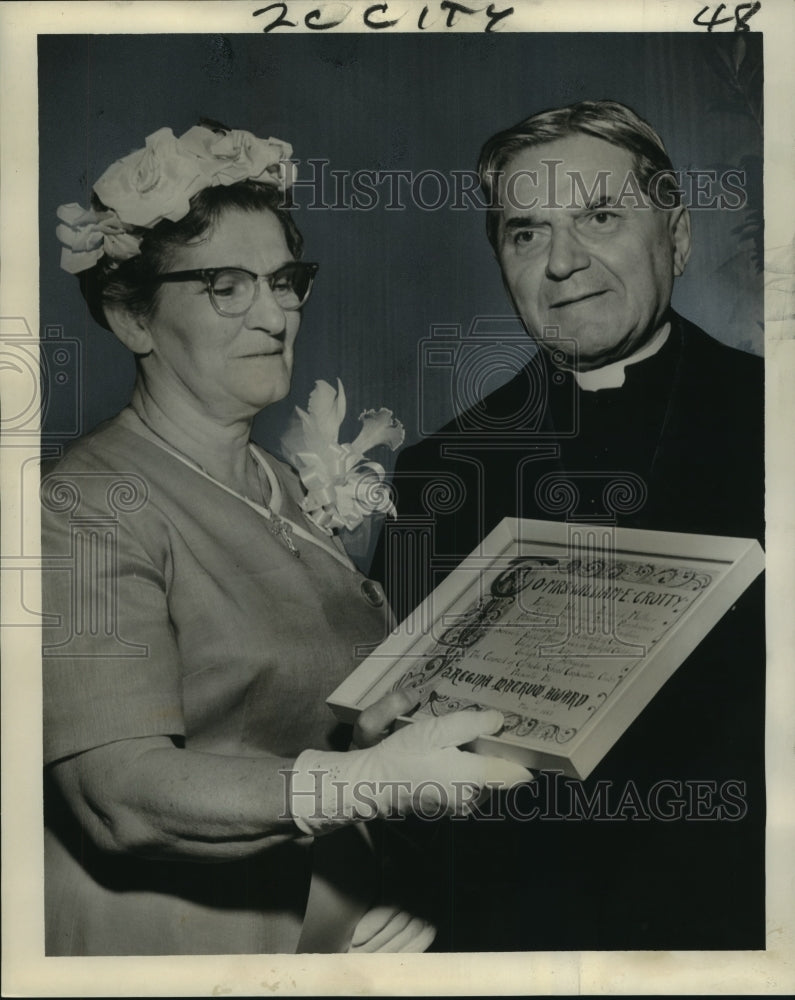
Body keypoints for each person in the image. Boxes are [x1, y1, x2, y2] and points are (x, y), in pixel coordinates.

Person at [41, 120, 530, 957]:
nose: (274, 315)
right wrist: (363, 788)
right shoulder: (85, 507)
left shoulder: (285, 486)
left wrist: (376, 838)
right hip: (175, 949)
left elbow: (296, 724)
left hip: (322, 932)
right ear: (131, 318)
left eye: (285, 280)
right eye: (226, 286)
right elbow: (115, 796)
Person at [374, 100, 765, 950]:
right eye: (525, 232)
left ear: (678, 236)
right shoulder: (438, 471)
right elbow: (398, 730)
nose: (561, 262)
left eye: (598, 216)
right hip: (517, 918)